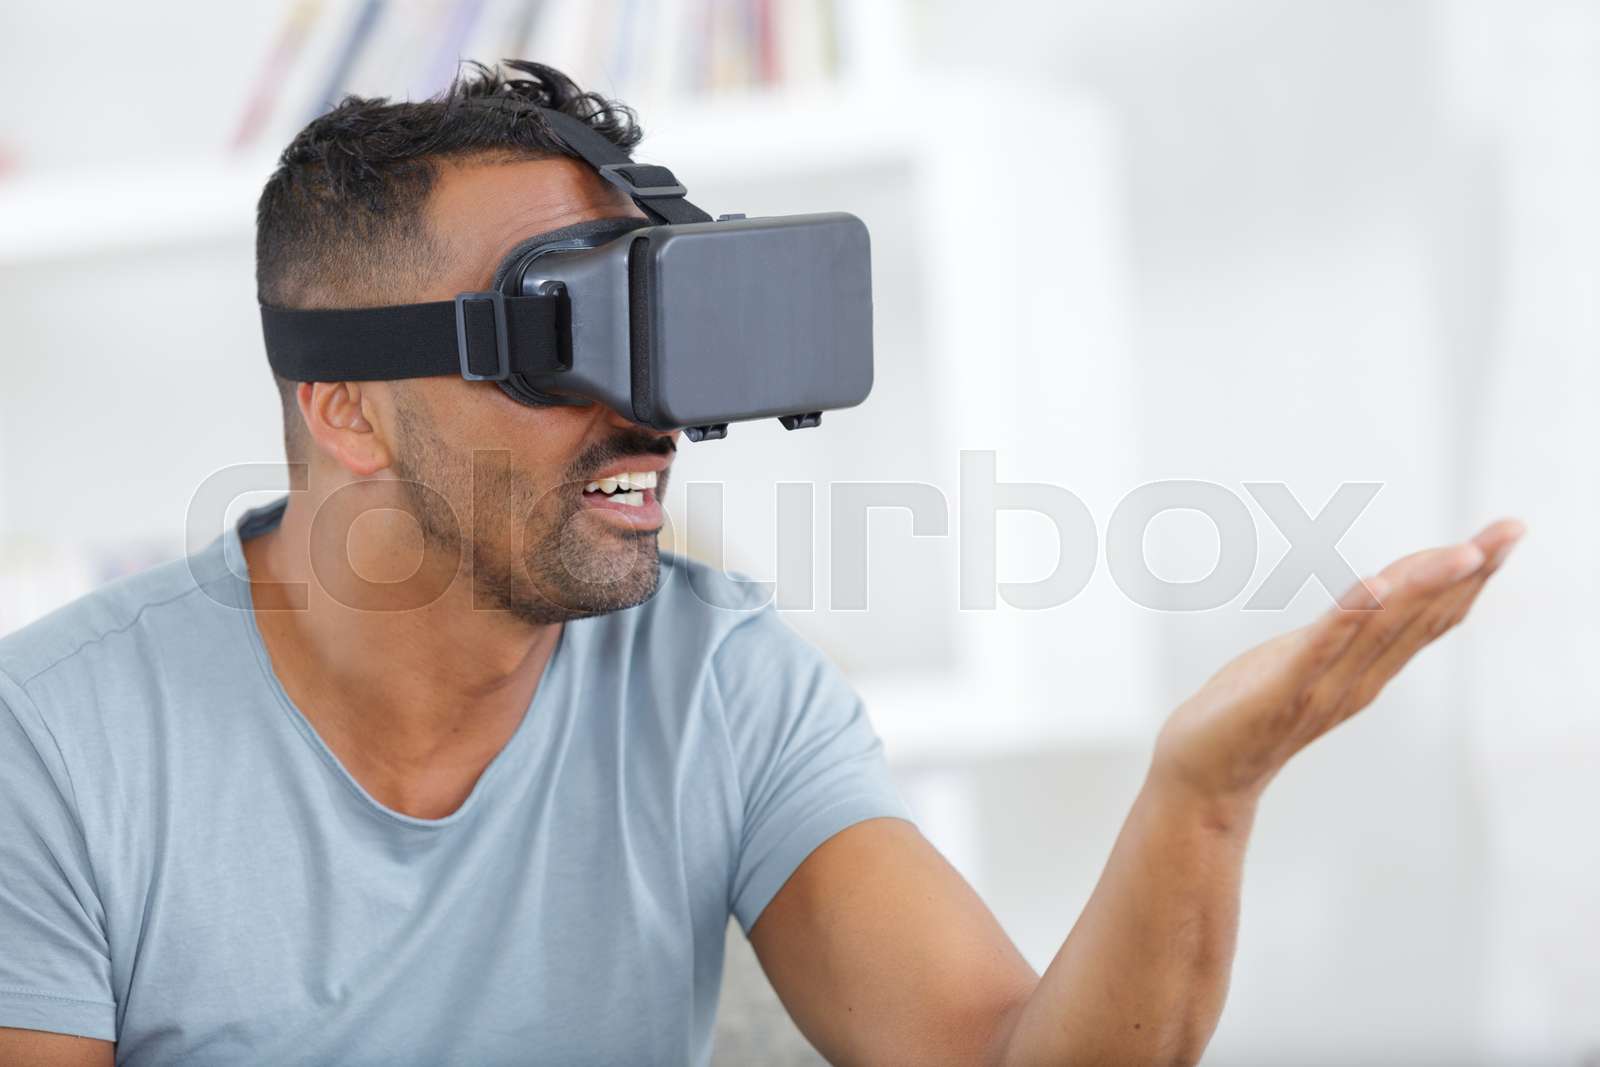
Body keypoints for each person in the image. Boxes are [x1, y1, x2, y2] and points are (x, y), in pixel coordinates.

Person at [0, 61, 1523, 1066]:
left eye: (663, 330)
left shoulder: (715, 680)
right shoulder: (59, 746)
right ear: (344, 409)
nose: (651, 416)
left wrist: (1205, 795)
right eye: (567, 340)